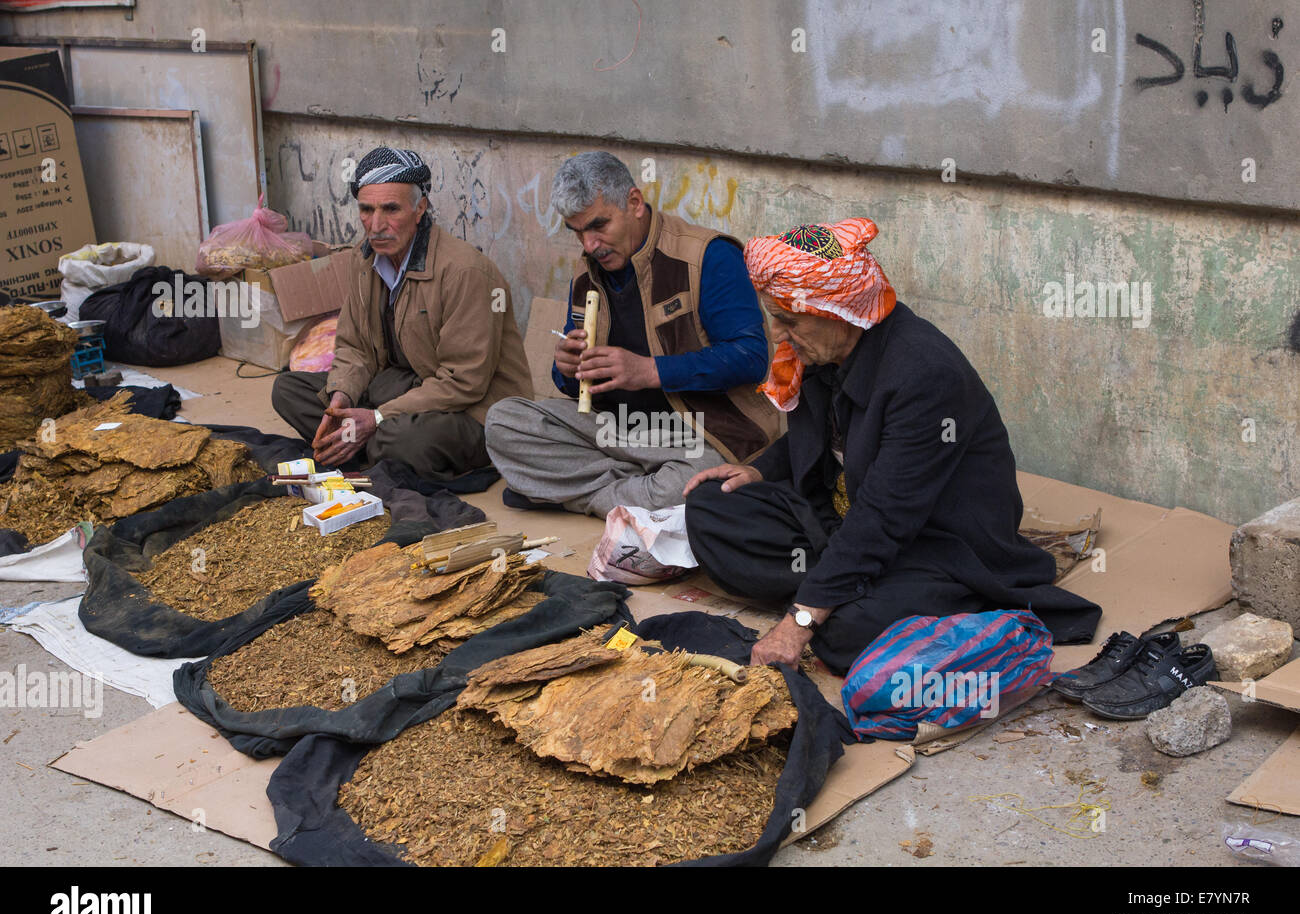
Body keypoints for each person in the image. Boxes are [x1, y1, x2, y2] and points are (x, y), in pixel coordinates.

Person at [684, 218, 1102, 672]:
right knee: (710, 506)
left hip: (934, 542)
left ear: (835, 312)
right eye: (775, 320)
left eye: (788, 321)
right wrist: (761, 469)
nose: (779, 336)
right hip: (847, 519)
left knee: (843, 636)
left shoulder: (924, 374)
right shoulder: (826, 349)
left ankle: (862, 592)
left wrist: (799, 621)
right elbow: (820, 439)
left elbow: (886, 516)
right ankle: (843, 582)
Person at [483, 151, 778, 516]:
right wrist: (567, 369)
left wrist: (650, 371)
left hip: (697, 431)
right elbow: (573, 387)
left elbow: (752, 358)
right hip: (616, 431)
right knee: (503, 422)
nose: (590, 245)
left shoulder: (707, 256)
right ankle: (635, 489)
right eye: (578, 232)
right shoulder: (588, 269)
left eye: (598, 225)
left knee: (698, 479)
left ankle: (581, 493)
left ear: (634, 203)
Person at [271, 146, 531, 481]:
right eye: (366, 210)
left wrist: (377, 418)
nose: (376, 225)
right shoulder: (363, 261)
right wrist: (340, 401)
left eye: (390, 209)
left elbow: (463, 383)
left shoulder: (465, 272)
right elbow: (355, 348)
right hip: (401, 390)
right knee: (289, 390)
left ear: (419, 207)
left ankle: (370, 444)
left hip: (472, 410)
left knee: (400, 439)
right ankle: (365, 442)